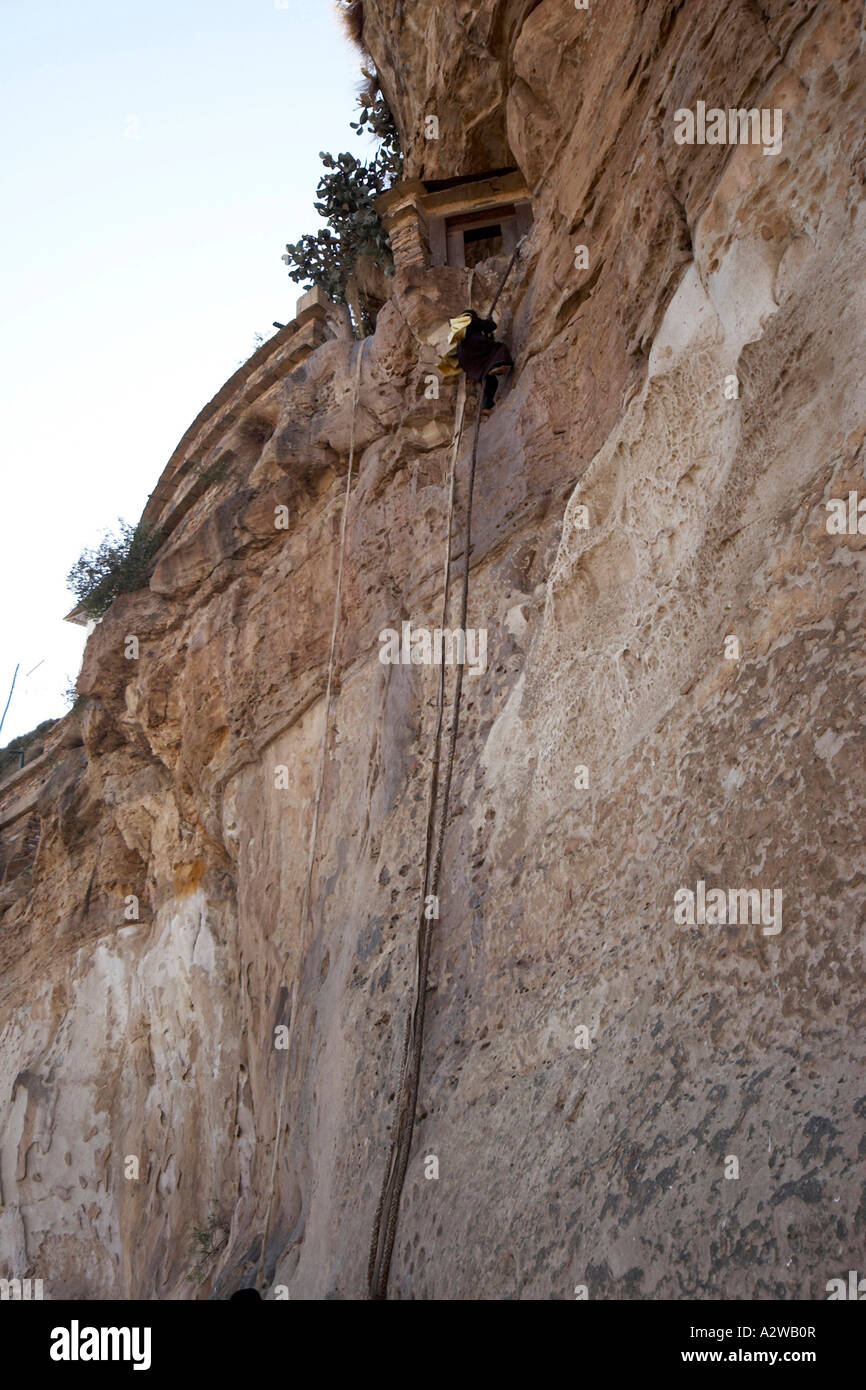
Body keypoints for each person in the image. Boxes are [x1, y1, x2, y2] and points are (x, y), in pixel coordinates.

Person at [437, 309, 513, 413]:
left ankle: (486, 406)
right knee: (499, 348)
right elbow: (491, 326)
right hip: (474, 347)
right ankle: (497, 366)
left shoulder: (460, 334)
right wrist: (488, 322)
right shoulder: (470, 318)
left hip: (466, 361)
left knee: (490, 380)